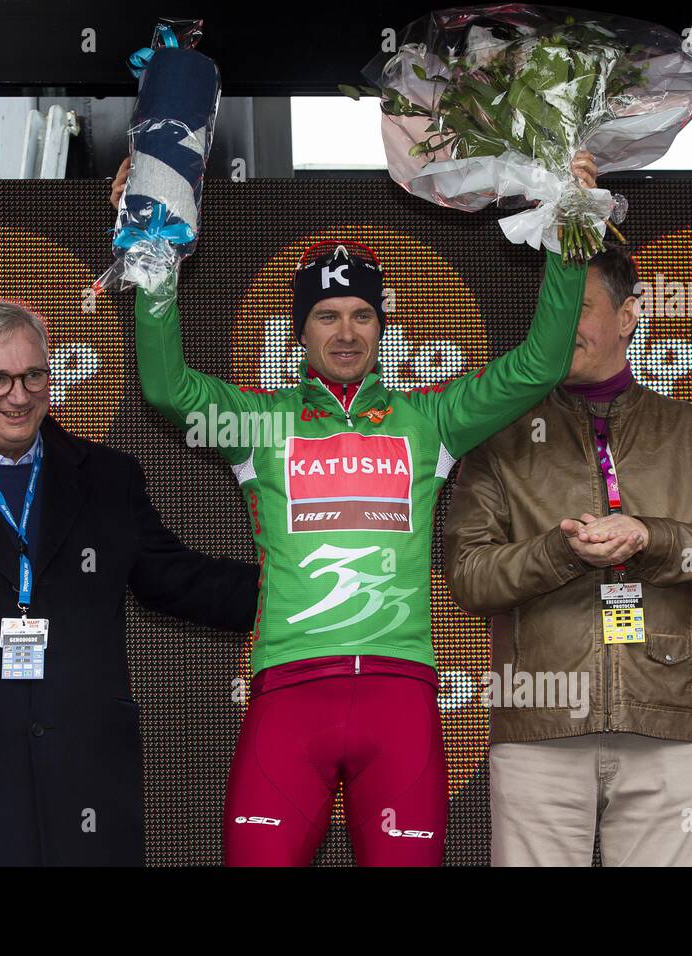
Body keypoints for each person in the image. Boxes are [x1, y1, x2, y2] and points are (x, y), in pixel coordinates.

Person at [116, 150, 600, 866]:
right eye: (326, 315)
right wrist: (153, 260)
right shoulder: (259, 425)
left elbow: (539, 364)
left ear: (382, 326)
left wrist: (569, 233)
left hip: (397, 700)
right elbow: (167, 388)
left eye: (362, 315)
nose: (346, 332)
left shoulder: (431, 420)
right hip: (288, 694)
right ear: (298, 333)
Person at [0, 300, 258, 866]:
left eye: (33, 374)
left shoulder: (107, 478)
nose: (20, 394)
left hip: (86, 779)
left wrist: (294, 587)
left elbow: (174, 578)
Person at [442, 242, 692, 866]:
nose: (561, 325)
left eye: (581, 306)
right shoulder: (499, 436)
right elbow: (468, 577)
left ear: (628, 316)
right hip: (539, 725)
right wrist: (563, 553)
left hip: (665, 728)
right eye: (554, 306)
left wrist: (653, 538)